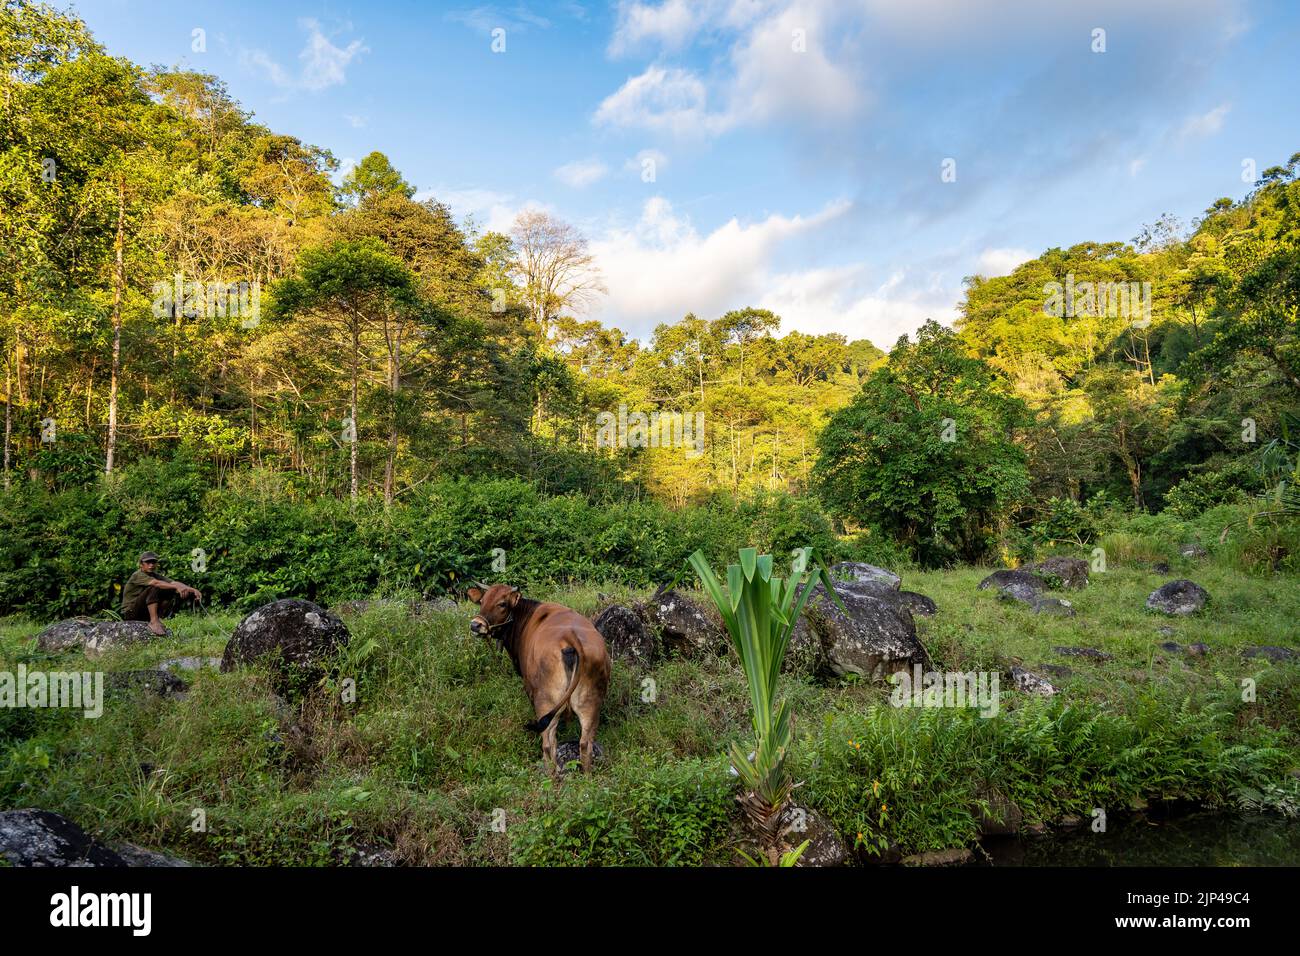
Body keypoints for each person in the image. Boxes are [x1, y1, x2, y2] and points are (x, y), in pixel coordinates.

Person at [119, 552, 203, 636]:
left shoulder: (155, 575)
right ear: (141, 564)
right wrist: (176, 587)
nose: (151, 565)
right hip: (130, 612)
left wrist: (192, 590)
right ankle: (154, 621)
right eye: (148, 562)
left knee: (169, 589)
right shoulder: (137, 575)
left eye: (153, 562)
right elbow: (156, 583)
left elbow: (173, 583)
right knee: (155, 587)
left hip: (143, 611)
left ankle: (158, 618)